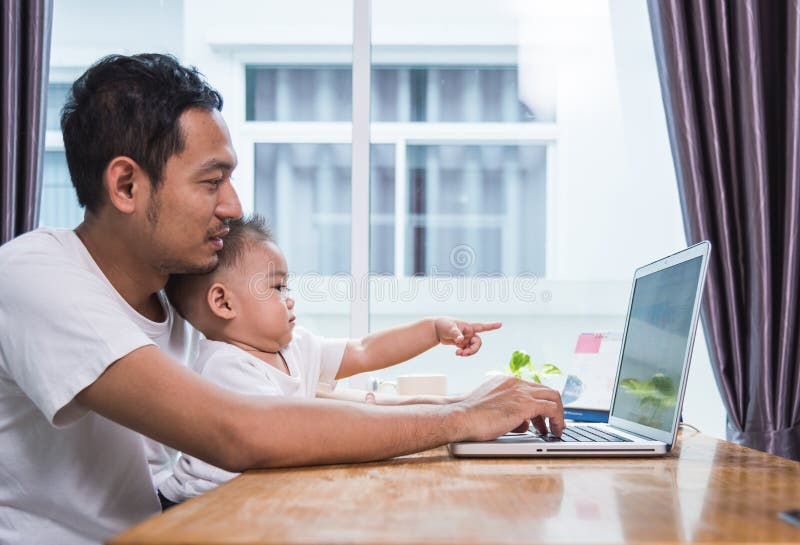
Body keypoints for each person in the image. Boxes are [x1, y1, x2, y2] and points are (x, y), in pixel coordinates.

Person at [0, 53, 564, 545]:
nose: (233, 206)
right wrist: (462, 417)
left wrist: (462, 407)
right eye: (211, 180)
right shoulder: (33, 276)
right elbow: (239, 430)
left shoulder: (171, 303)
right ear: (126, 186)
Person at [158, 214, 502, 504]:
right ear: (224, 303)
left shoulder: (295, 347)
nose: (289, 300)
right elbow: (285, 437)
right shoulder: (225, 367)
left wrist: (432, 330)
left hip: (253, 496)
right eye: (277, 288)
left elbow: (364, 350)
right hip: (199, 506)